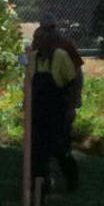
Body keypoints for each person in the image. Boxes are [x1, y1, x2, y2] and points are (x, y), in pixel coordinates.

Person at [29, 13, 82, 195]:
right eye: (36, 37)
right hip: (38, 111)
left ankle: (71, 181)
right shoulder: (33, 57)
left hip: (58, 110)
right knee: (38, 151)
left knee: (60, 149)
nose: (36, 41)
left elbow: (75, 79)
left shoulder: (63, 52)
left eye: (40, 38)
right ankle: (41, 186)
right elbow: (25, 75)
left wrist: (74, 104)